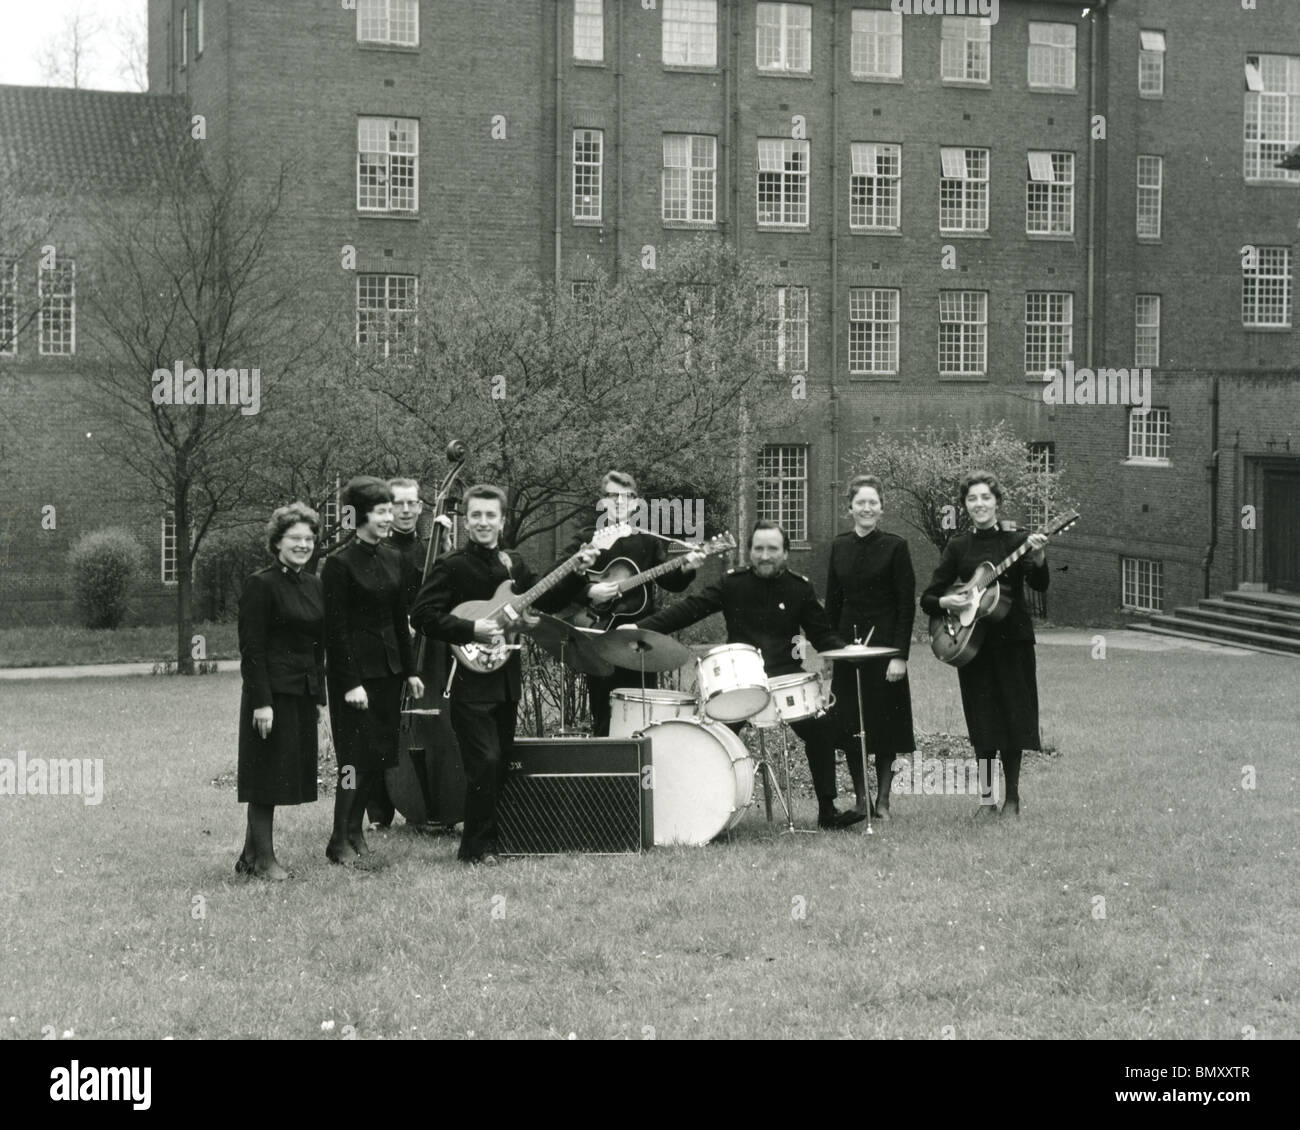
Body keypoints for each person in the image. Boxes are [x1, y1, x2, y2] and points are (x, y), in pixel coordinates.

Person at [410, 484, 598, 864]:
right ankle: (476, 848)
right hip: (467, 678)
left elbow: (545, 601)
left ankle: (489, 841)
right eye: (476, 515)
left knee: (500, 762)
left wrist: (576, 575)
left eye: (490, 515)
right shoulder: (451, 565)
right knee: (486, 762)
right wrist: (470, 630)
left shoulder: (513, 564)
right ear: (466, 519)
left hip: (505, 677)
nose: (483, 522)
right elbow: (422, 616)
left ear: (502, 519)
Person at [635, 521, 865, 831]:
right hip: (738, 680)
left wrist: (847, 649)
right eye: (759, 549)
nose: (765, 555)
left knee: (821, 729)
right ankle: (705, 809)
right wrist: (640, 630)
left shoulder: (800, 588)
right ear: (750, 552)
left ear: (785, 553)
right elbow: (690, 609)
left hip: (784, 679)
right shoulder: (732, 584)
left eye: (772, 549)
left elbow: (823, 637)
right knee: (711, 739)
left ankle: (828, 810)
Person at [919, 470, 1049, 817]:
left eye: (985, 498)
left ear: (997, 502)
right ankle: (987, 799)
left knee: (1014, 719)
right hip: (973, 646)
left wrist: (1037, 558)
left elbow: (1041, 584)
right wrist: (950, 603)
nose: (979, 504)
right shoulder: (958, 546)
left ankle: (1013, 799)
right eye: (972, 499)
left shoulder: (1016, 540)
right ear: (965, 505)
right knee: (983, 724)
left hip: (1013, 643)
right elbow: (929, 597)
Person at [321, 476, 423, 863]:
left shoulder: (393, 558)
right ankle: (337, 839)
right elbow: (336, 631)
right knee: (353, 758)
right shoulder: (338, 565)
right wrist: (350, 682)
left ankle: (355, 835)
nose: (390, 517)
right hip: (355, 679)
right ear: (361, 515)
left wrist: (411, 670)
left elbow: (401, 622)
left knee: (377, 756)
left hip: (390, 673)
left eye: (389, 510)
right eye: (382, 511)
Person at [560, 470, 704, 736]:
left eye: (626, 497)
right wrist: (589, 591)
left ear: (637, 504)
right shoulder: (586, 538)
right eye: (612, 496)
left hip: (639, 638)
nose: (618, 502)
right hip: (599, 633)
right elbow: (561, 577)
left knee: (640, 715)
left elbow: (671, 580)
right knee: (604, 714)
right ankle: (607, 775)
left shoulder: (647, 540)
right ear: (602, 502)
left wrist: (687, 568)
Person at [235, 502, 326, 880]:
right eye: (295, 538)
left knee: (277, 774)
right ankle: (266, 861)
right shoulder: (261, 584)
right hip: (271, 696)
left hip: (301, 693)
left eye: (309, 538)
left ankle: (248, 858)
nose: (303, 545)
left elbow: (316, 644)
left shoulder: (313, 583)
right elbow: (252, 648)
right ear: (277, 542)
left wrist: (317, 697)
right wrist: (261, 704)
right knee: (266, 777)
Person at [826, 474, 917, 819]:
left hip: (885, 652)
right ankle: (861, 798)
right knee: (850, 726)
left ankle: (883, 800)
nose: (867, 508)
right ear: (850, 508)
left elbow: (906, 606)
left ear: (881, 508)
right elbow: (832, 603)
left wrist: (900, 656)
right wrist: (829, 649)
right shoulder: (838, 546)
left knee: (885, 728)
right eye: (860, 502)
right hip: (848, 652)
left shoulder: (896, 547)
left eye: (873, 503)